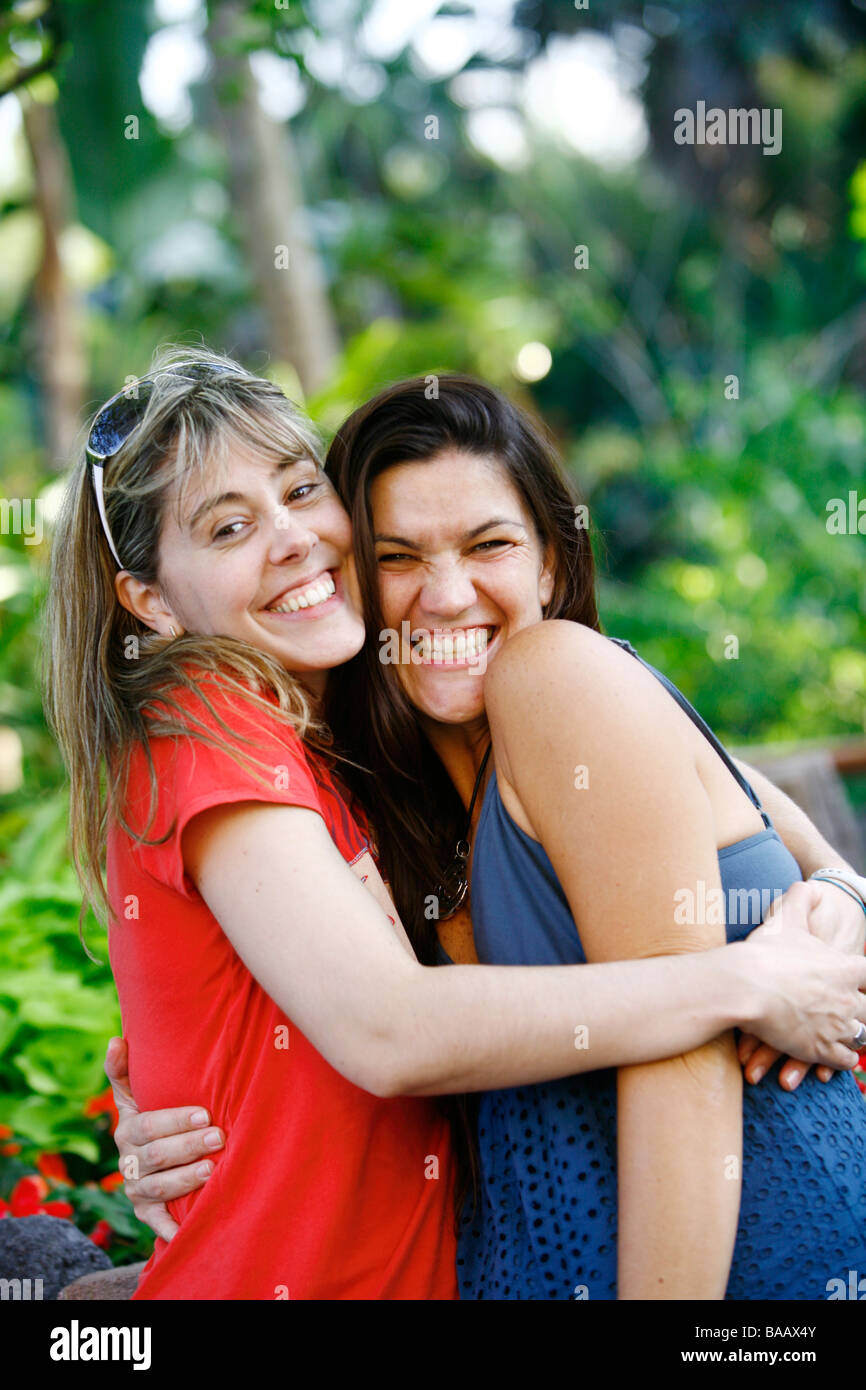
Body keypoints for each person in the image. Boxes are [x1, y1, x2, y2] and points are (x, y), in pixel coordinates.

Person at [79, 356, 866, 1299]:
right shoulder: (358, 780)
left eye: (488, 545)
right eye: (399, 557)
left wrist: (830, 896)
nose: (445, 595)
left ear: (554, 561)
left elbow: (680, 1071)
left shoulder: (554, 678)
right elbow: (381, 1030)